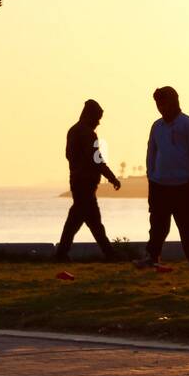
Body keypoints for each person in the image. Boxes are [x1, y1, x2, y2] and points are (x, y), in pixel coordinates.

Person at [137, 86, 189, 268]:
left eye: (163, 103)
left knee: (187, 224)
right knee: (157, 225)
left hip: (183, 184)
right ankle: (152, 257)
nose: (160, 107)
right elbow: (151, 151)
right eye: (158, 104)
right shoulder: (156, 126)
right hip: (159, 184)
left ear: (174, 102)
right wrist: (151, 175)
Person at [54, 99, 121, 262]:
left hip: (77, 182)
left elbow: (69, 156)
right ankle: (62, 253)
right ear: (89, 116)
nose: (98, 123)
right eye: (97, 118)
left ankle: (109, 254)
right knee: (80, 220)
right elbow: (96, 160)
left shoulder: (73, 131)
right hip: (85, 184)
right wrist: (112, 177)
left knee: (90, 221)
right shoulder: (88, 134)